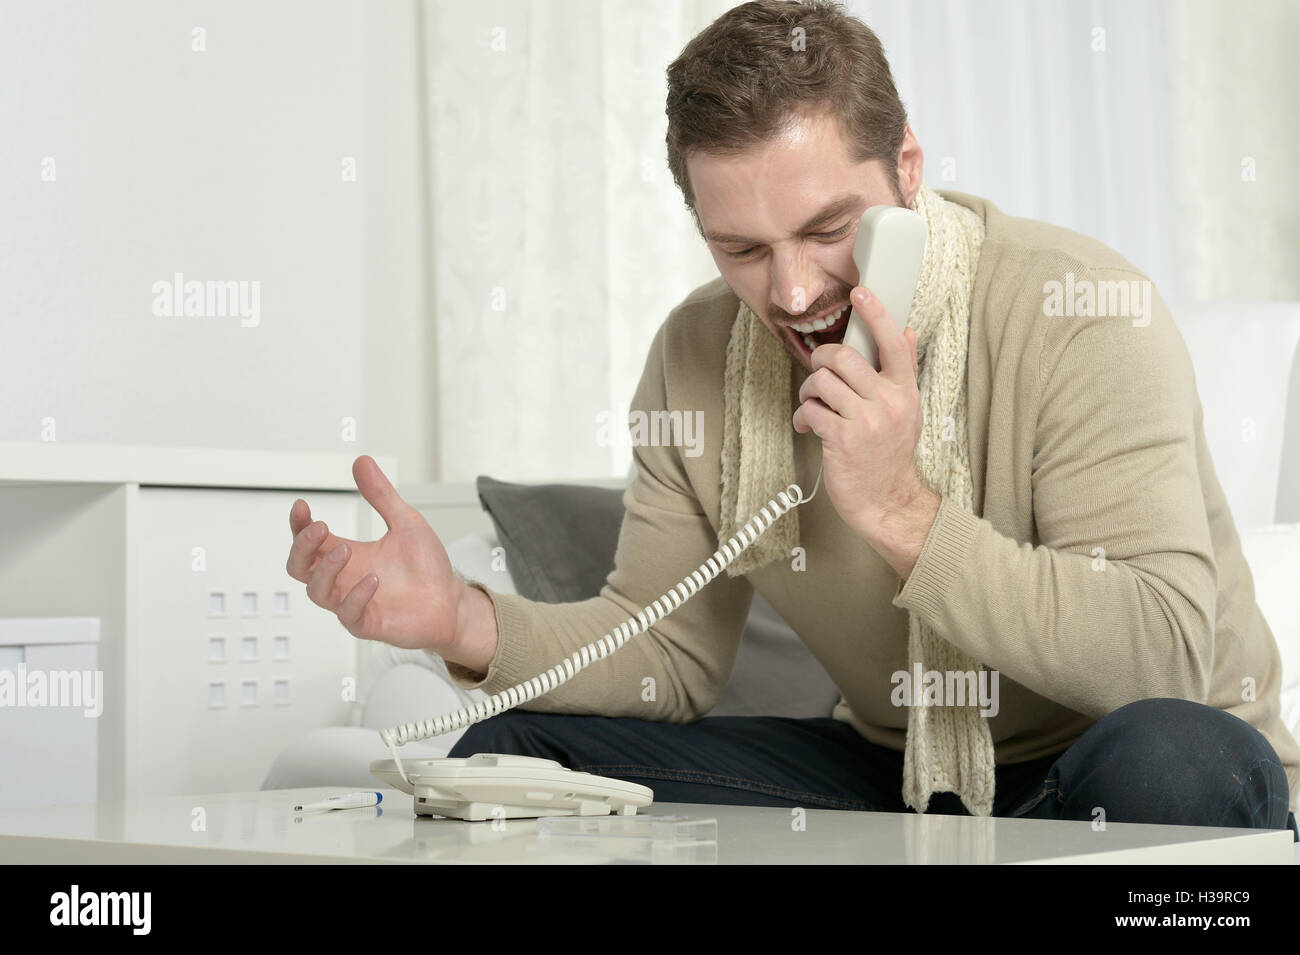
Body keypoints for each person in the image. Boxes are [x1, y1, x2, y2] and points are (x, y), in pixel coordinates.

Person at [284, 0, 1298, 840]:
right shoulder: (695, 355)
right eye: (742, 249)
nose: (795, 288)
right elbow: (669, 663)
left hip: (1112, 765)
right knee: (516, 764)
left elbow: (1162, 659)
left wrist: (902, 510)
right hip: (895, 778)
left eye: (826, 229)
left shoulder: (1079, 311)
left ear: (906, 167)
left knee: (1177, 758)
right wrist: (461, 618)